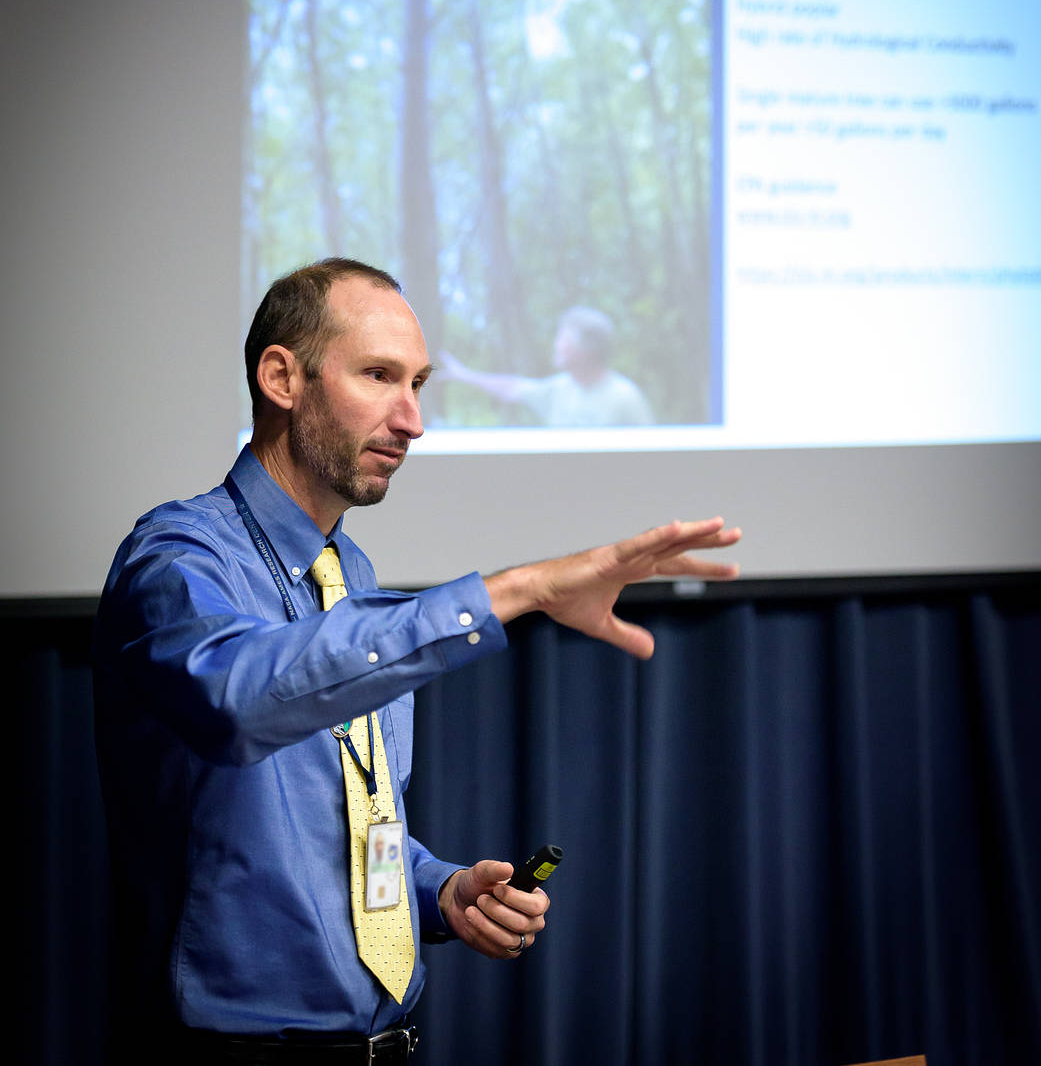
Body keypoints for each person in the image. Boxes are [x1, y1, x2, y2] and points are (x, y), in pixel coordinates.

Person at [93, 258, 740, 1064]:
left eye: (420, 384)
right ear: (281, 377)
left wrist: (439, 890)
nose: (412, 420)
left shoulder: (355, 580)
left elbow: (351, 821)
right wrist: (522, 588)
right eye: (378, 376)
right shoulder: (176, 556)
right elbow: (238, 699)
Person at [439, 305, 654, 426]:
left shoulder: (625, 398)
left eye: (564, 338)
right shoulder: (558, 390)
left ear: (587, 348)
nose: (557, 345)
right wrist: (465, 375)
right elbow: (511, 388)